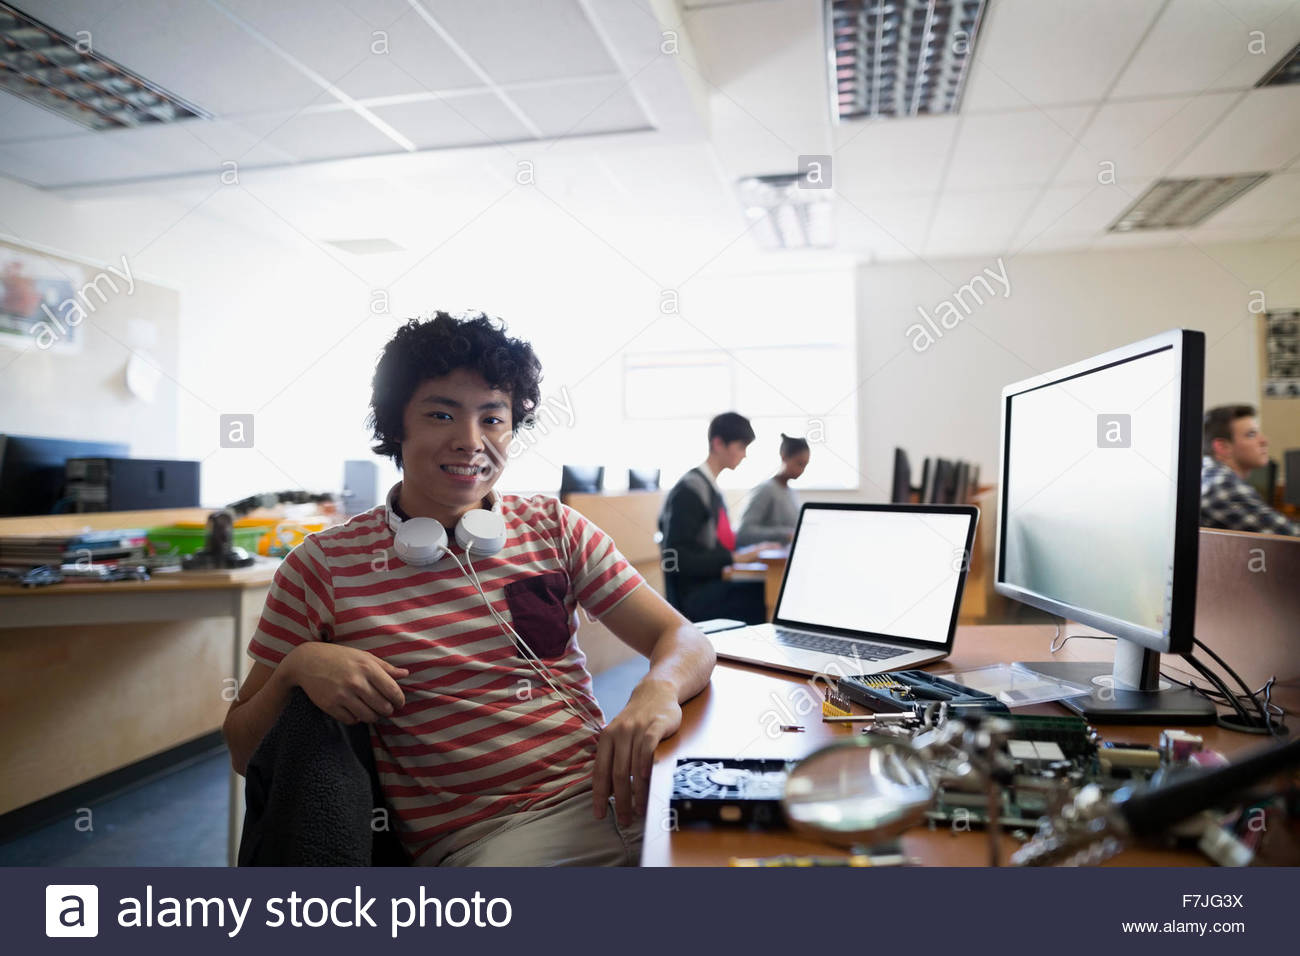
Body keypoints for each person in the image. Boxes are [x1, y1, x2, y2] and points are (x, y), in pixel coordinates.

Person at [223, 312, 716, 866]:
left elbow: (687, 639)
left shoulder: (554, 526)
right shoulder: (321, 567)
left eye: (492, 418)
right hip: (492, 840)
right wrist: (297, 666)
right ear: (395, 426)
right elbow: (245, 748)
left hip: (623, 792)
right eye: (441, 414)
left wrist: (659, 689)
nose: (470, 442)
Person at [658, 412, 777, 624]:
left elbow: (719, 545)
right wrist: (734, 558)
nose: (744, 455)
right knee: (767, 596)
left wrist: (751, 552)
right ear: (719, 443)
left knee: (768, 589)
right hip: (695, 596)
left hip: (712, 584)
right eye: (741, 447)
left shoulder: (710, 487)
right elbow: (676, 559)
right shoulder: (690, 491)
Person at [1200, 404, 1298, 536]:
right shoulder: (1223, 485)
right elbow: (1292, 537)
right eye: (1251, 434)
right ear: (1222, 447)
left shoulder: (1207, 473)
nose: (1264, 440)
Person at [736, 433, 810, 547]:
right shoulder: (766, 490)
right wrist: (786, 534)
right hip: (767, 561)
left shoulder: (790, 492)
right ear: (784, 456)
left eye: (805, 466)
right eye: (799, 464)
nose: (802, 470)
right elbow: (744, 532)